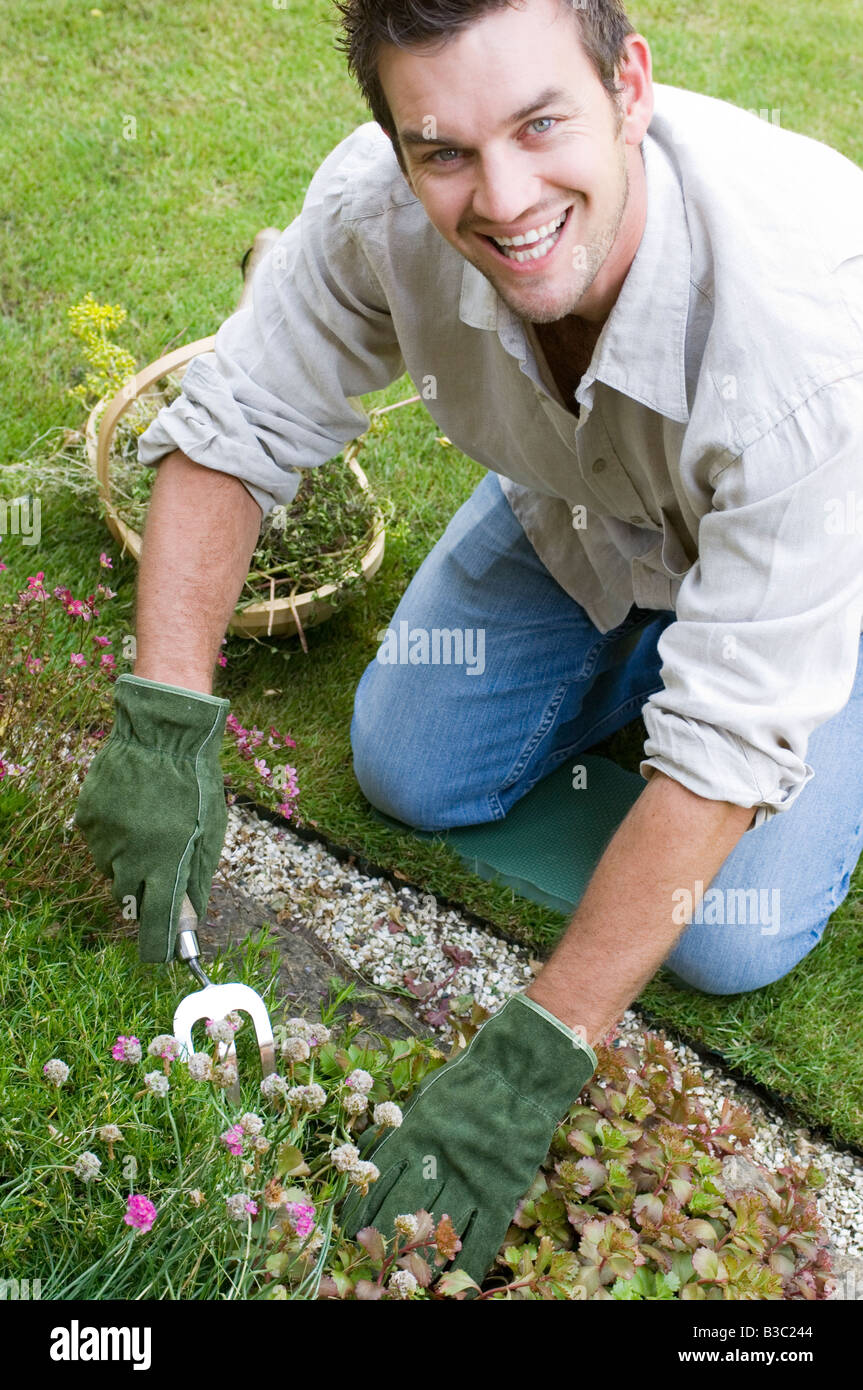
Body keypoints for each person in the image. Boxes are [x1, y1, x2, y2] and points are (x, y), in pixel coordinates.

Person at [74, 0, 863, 1288]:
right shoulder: (370, 212)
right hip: (592, 499)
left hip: (833, 524)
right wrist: (166, 712)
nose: (502, 197)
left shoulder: (807, 346)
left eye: (541, 124)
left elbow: (729, 745)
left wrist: (535, 1054)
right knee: (409, 763)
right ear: (396, 143)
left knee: (732, 937)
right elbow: (237, 423)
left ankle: (788, 659)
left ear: (629, 87)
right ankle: (659, 643)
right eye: (442, 150)